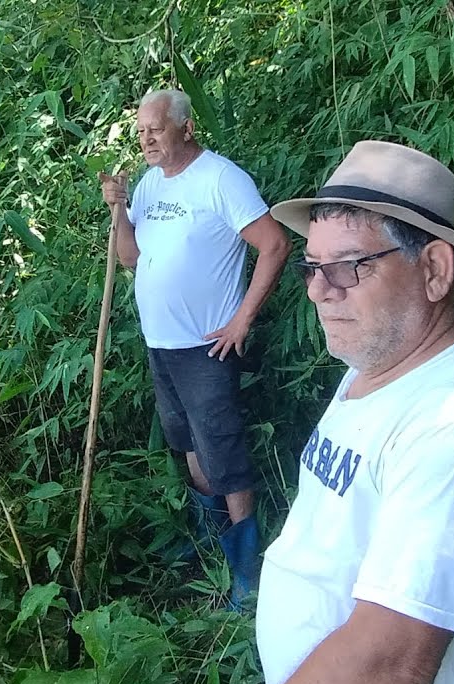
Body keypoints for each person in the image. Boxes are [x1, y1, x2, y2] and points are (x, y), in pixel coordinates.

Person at [252, 141, 454, 684]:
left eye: (349, 266)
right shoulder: (379, 363)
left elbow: (389, 664)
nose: (321, 291)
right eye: (313, 268)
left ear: (435, 269)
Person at [98, 89, 290, 609]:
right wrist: (119, 212)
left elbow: (275, 244)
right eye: (140, 131)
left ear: (185, 127)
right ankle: (216, 541)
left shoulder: (221, 179)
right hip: (161, 343)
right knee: (188, 447)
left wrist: (240, 320)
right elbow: (132, 258)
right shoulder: (148, 184)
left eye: (155, 129)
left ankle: (247, 570)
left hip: (207, 347)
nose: (146, 139)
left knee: (222, 451)